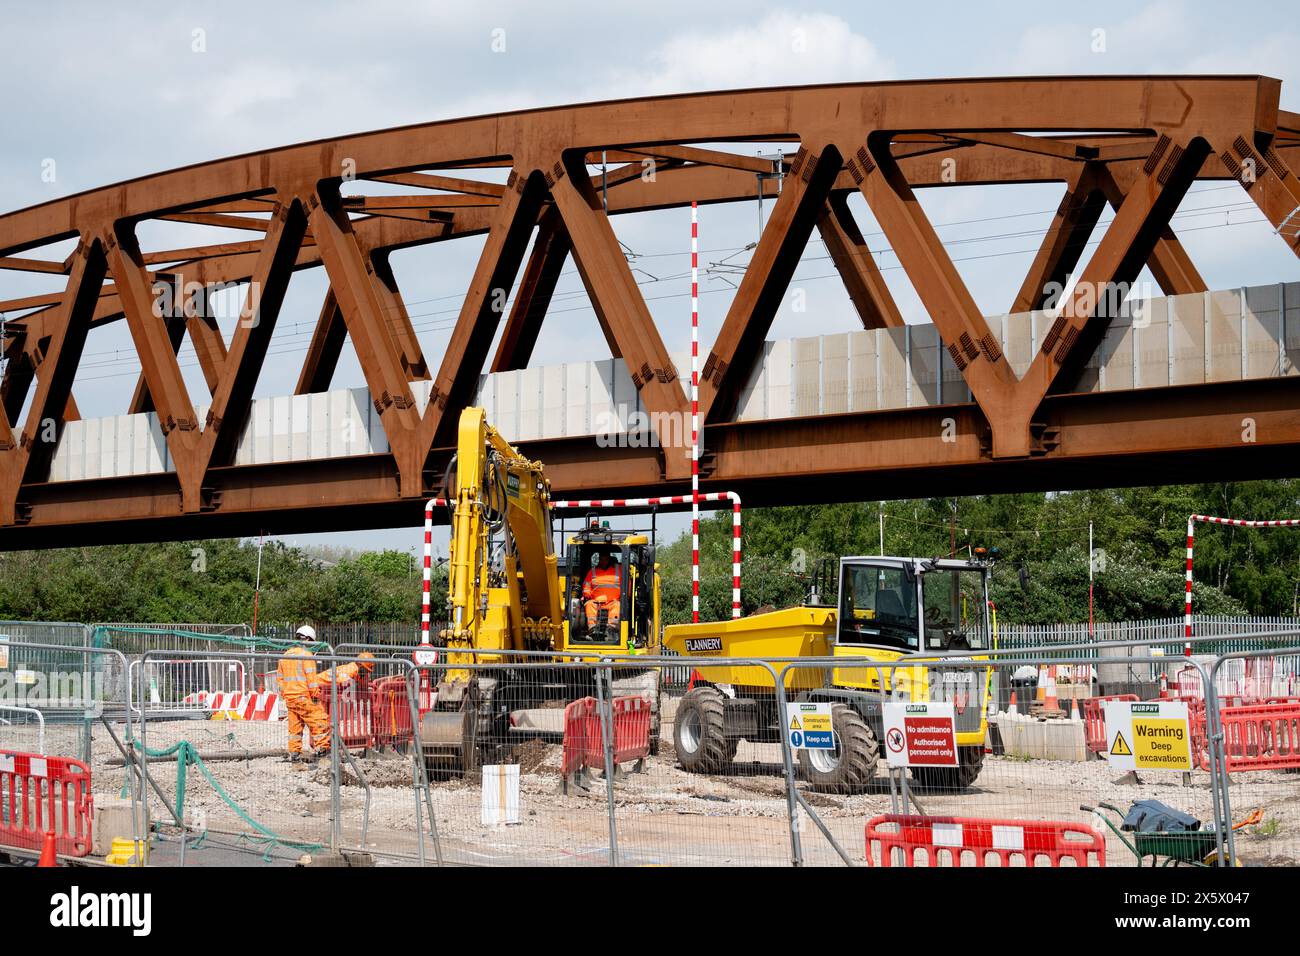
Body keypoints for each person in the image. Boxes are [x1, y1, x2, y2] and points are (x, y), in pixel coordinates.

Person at [278, 624, 330, 763]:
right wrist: (315, 696)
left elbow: (280, 679)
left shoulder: (285, 655)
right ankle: (323, 754)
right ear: (307, 639)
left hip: (290, 698)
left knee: (295, 727)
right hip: (303, 696)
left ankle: (295, 757)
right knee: (319, 720)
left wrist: (286, 694)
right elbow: (311, 680)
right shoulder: (307, 655)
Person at [582, 551, 622, 631]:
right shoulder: (592, 571)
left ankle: (612, 629)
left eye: (606, 560)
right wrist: (586, 594)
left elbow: (627, 584)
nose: (603, 562)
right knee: (589, 604)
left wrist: (625, 597)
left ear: (609, 560)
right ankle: (592, 629)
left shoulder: (619, 570)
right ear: (599, 560)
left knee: (617, 606)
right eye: (601, 560)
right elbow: (586, 585)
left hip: (613, 601)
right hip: (596, 602)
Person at [312, 651, 376, 696]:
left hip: (322, 687)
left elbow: (361, 685)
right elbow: (344, 681)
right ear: (360, 665)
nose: (367, 672)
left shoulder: (358, 671)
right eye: (366, 670)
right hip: (316, 685)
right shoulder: (352, 669)